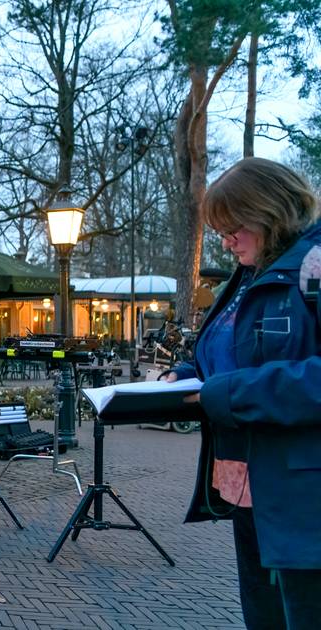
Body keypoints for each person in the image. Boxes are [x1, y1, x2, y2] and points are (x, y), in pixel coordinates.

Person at [164, 157, 321, 629]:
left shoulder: (313, 266)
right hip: (250, 484)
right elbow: (236, 353)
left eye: (234, 228)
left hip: (303, 495)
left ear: (270, 212)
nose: (226, 240)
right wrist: (189, 371)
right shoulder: (254, 269)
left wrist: (233, 393)